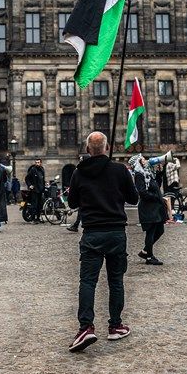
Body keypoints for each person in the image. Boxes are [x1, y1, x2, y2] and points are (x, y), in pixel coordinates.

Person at [66, 132, 137, 352]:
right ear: (106, 148)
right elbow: (133, 198)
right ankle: (115, 326)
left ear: (88, 150)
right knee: (115, 281)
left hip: (92, 234)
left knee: (88, 282)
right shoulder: (119, 170)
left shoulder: (79, 172)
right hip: (116, 233)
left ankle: (86, 327)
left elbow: (72, 203)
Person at [131, 155, 166, 266]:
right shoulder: (139, 175)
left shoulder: (147, 173)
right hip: (148, 207)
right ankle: (149, 257)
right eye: (142, 159)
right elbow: (142, 192)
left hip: (155, 207)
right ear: (138, 162)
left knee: (160, 230)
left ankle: (145, 251)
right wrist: (155, 197)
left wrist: (159, 173)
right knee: (151, 232)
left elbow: (156, 185)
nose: (145, 160)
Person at [25, 158, 47, 224]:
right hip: (35, 190)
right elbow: (27, 178)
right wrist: (30, 185)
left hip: (41, 190)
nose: (37, 164)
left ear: (40, 163)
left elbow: (42, 179)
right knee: (34, 205)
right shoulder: (33, 170)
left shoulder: (42, 169)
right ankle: (33, 218)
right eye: (36, 162)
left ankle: (38, 218)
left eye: (38, 162)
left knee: (40, 205)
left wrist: (45, 183)